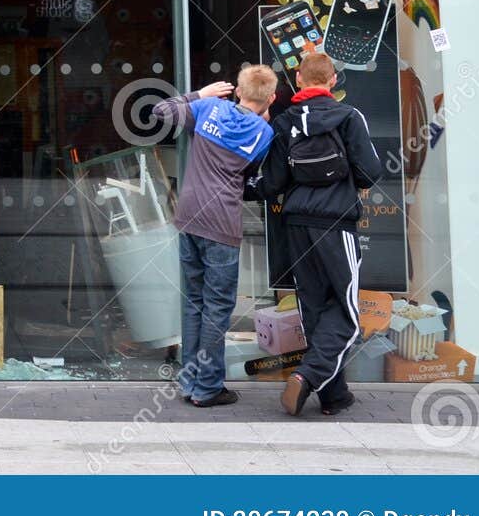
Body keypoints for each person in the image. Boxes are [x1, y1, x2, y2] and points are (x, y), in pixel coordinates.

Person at [258, 52, 383, 417]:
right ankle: (308, 374)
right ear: (332, 81)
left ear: (298, 80)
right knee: (346, 310)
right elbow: (370, 172)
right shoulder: (349, 116)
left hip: (296, 224)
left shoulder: (284, 122)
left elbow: (273, 182)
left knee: (313, 309)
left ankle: (334, 397)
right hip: (336, 223)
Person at [151, 65, 278, 407]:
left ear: (237, 90)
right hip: (222, 223)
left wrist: (200, 94)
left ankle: (190, 382)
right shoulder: (264, 133)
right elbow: (251, 171)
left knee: (194, 301)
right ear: (271, 98)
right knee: (217, 308)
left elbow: (160, 110)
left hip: (189, 216)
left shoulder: (208, 108)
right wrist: (261, 120)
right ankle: (207, 387)